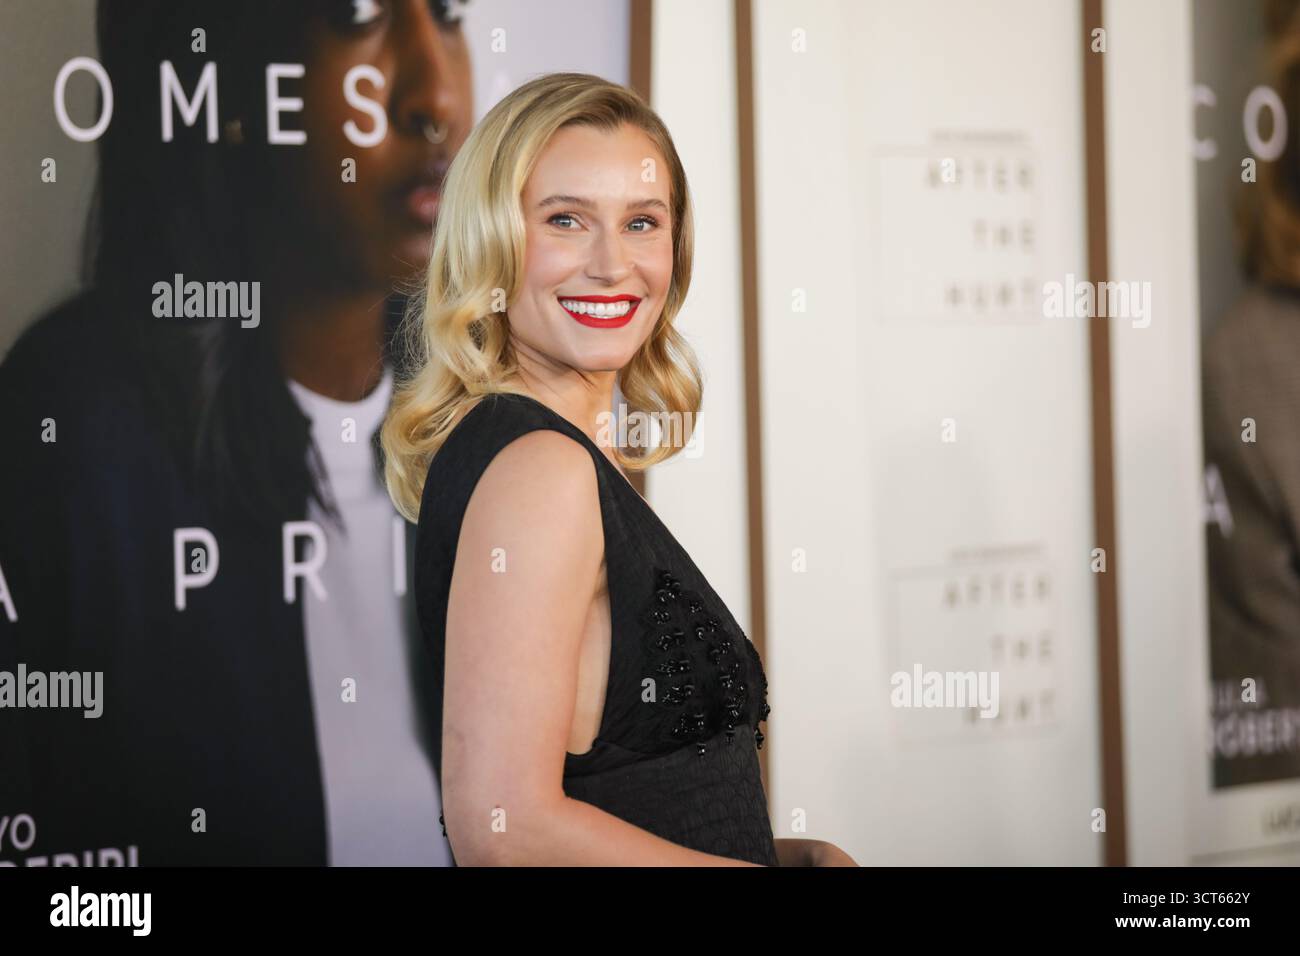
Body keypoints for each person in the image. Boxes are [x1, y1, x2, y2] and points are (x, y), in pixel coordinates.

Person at [0, 0, 473, 864]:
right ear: (227, 75)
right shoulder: (66, 433)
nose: (435, 94)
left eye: (450, 12)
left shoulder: (489, 420)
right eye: (356, 16)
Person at [382, 72, 856, 865]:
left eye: (642, 222)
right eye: (565, 220)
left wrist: (788, 855)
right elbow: (504, 829)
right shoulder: (540, 471)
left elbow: (624, 798)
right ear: (492, 241)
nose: (612, 265)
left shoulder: (537, 453)